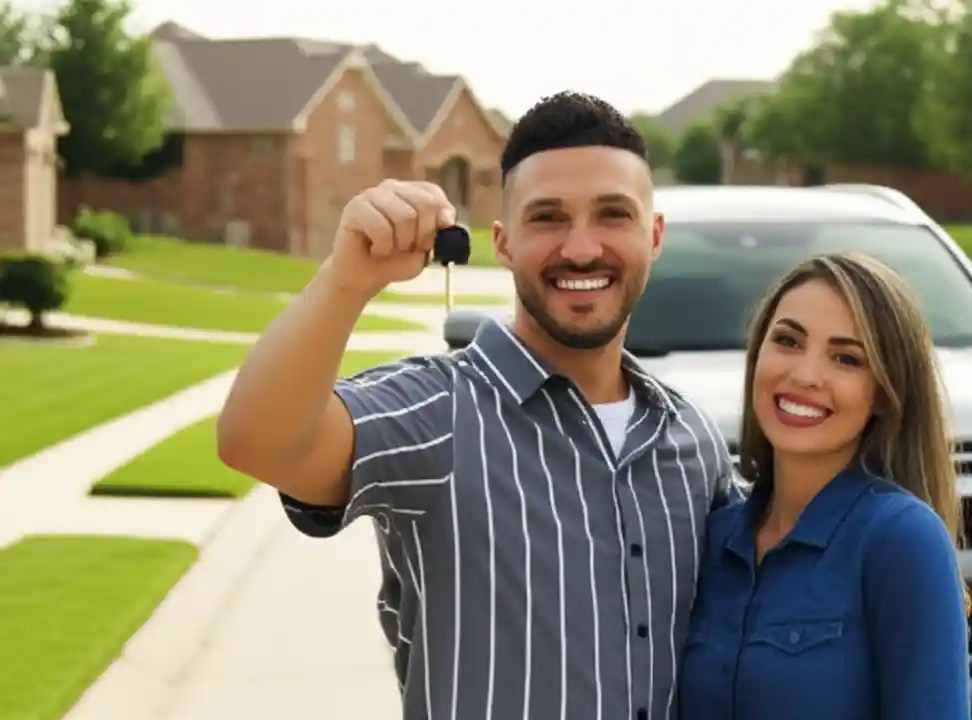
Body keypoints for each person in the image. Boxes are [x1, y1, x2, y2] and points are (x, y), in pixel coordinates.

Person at [216, 91, 736, 720]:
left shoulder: (693, 443)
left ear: (653, 237)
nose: (579, 248)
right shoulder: (440, 412)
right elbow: (258, 442)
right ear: (503, 242)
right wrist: (347, 279)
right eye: (547, 218)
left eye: (612, 215)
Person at [676, 252, 972, 719]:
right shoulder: (713, 538)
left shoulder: (902, 541)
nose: (806, 375)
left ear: (884, 392)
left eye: (846, 358)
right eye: (789, 341)